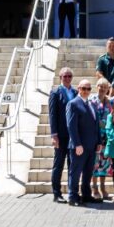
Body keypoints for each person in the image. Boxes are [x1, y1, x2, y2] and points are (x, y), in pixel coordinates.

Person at [65, 79, 102, 206]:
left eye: (88, 89)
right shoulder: (73, 104)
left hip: (91, 146)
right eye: (83, 88)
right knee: (75, 172)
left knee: (88, 172)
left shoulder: (91, 104)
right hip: (79, 146)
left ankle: (86, 195)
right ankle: (73, 196)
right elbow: (71, 126)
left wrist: (99, 141)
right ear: (79, 89)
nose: (86, 91)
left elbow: (96, 125)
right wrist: (77, 144)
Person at [47, 68, 76, 203]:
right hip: (61, 135)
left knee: (72, 165)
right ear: (60, 77)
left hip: (73, 135)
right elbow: (52, 115)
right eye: (65, 76)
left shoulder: (76, 92)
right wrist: (54, 135)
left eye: (69, 76)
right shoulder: (55, 92)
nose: (67, 78)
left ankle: (72, 193)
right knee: (58, 164)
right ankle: (56, 193)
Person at [90, 79, 114, 201]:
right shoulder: (91, 100)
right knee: (95, 163)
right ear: (96, 86)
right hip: (94, 136)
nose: (102, 88)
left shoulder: (110, 102)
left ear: (108, 89)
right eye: (100, 86)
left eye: (105, 87)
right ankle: (94, 188)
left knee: (104, 163)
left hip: (106, 137)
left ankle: (103, 187)